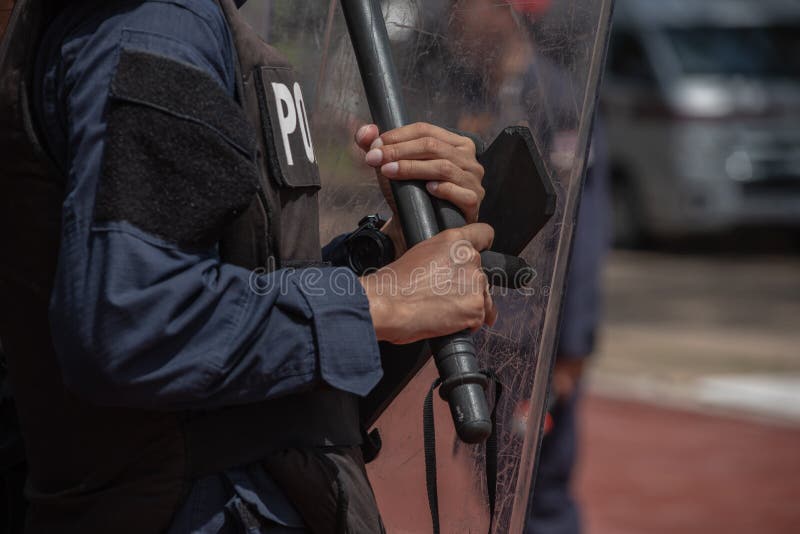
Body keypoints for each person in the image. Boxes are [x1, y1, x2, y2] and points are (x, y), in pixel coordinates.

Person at [0, 0, 497, 532]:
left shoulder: (187, 23)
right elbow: (132, 318)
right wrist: (375, 303)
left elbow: (226, 279)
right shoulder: (159, 22)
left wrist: (387, 258)